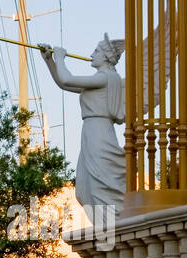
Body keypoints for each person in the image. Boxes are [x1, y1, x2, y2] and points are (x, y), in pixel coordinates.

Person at [39, 35, 126, 214]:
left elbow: (67, 79)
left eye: (96, 51)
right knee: (83, 191)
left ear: (106, 57)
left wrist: (60, 58)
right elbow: (64, 84)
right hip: (91, 132)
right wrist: (49, 60)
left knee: (101, 187)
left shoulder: (106, 78)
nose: (91, 54)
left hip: (99, 133)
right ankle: (104, 230)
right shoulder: (100, 80)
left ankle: (111, 230)